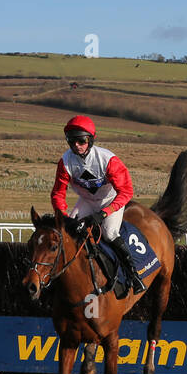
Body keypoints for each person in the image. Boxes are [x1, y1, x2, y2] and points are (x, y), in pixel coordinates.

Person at [50, 115, 146, 294]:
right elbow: (58, 193)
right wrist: (63, 215)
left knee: (109, 233)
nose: (77, 145)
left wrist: (103, 213)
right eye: (72, 141)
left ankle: (133, 275)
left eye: (82, 141)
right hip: (86, 200)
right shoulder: (65, 162)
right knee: (68, 233)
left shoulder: (107, 160)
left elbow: (126, 191)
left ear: (90, 140)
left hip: (110, 200)